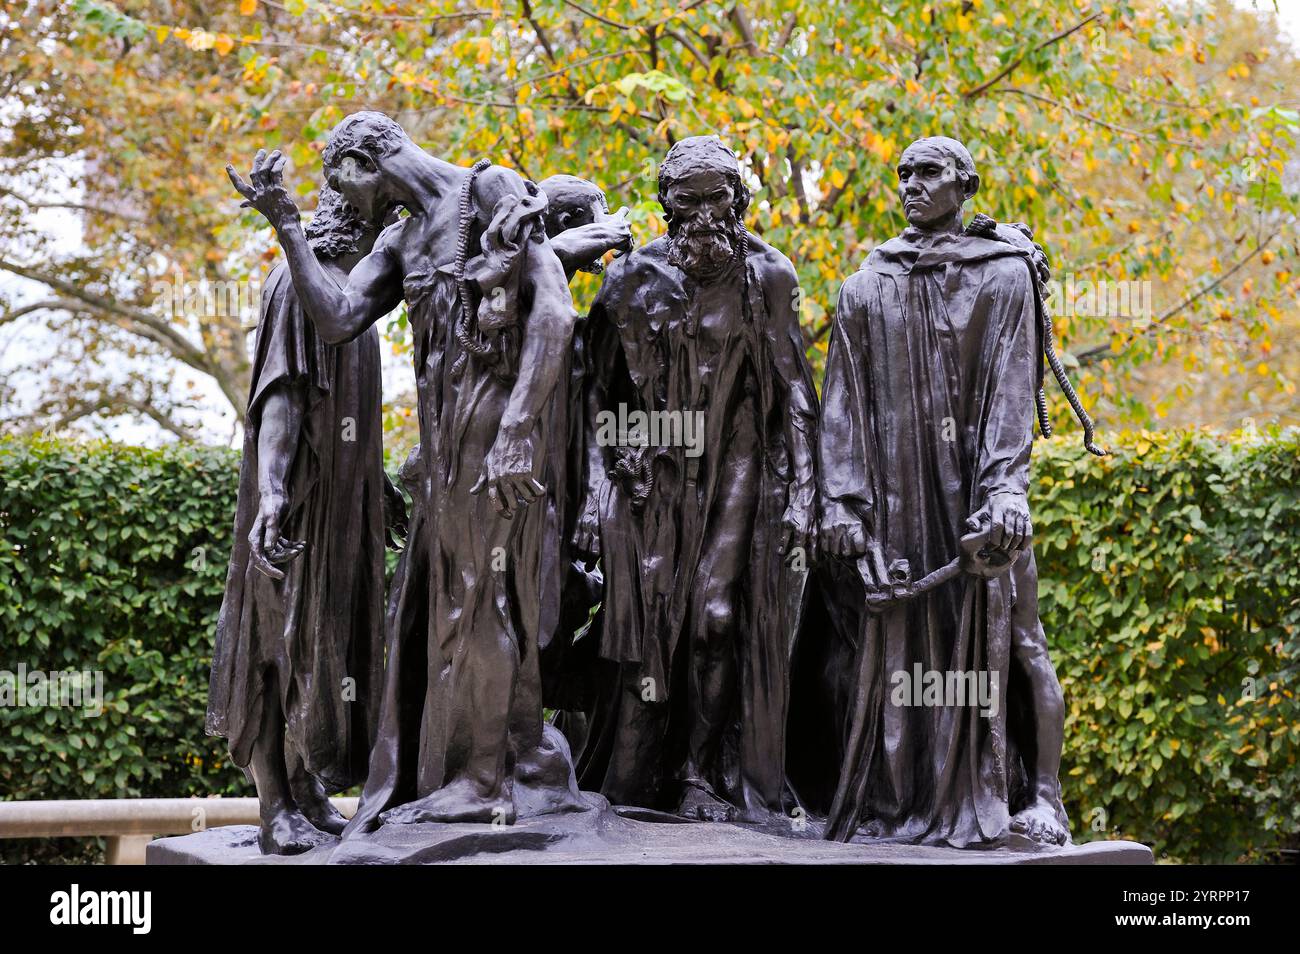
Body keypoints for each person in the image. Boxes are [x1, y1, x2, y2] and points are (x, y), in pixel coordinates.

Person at [228, 111, 584, 828]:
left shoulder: (491, 190)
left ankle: (483, 781)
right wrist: (288, 227)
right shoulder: (401, 239)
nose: (348, 206)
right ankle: (494, 763)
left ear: (366, 163)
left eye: (342, 187)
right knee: (451, 605)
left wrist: (518, 429)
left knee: (479, 600)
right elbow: (337, 317)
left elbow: (555, 316)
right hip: (445, 447)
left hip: (496, 433)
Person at [817, 136, 1100, 847]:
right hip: (898, 503)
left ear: (965, 185)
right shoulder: (865, 285)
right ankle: (902, 797)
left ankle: (1043, 796)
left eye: (929, 172)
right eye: (903, 173)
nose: (912, 184)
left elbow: (1011, 388)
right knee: (887, 650)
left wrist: (1005, 489)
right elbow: (842, 403)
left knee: (1021, 637)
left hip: (982, 499)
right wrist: (842, 503)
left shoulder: (1004, 276)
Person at [573, 136, 819, 822]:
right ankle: (637, 775)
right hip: (653, 479)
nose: (706, 218)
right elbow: (591, 395)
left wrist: (807, 493)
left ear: (738, 200)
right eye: (689, 203)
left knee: (715, 618)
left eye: (719, 200)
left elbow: (796, 393)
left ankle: (699, 774)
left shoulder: (769, 277)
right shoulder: (629, 281)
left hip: (738, 464)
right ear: (667, 205)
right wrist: (596, 485)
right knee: (651, 633)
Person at [206, 183, 401, 854]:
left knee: (323, 642)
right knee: (277, 643)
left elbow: (344, 409)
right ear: (366, 221)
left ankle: (304, 785)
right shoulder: (298, 283)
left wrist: (374, 479)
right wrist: (272, 494)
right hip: (298, 499)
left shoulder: (347, 296)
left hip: (342, 500)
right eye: (391, 219)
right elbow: (282, 398)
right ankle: (274, 804)